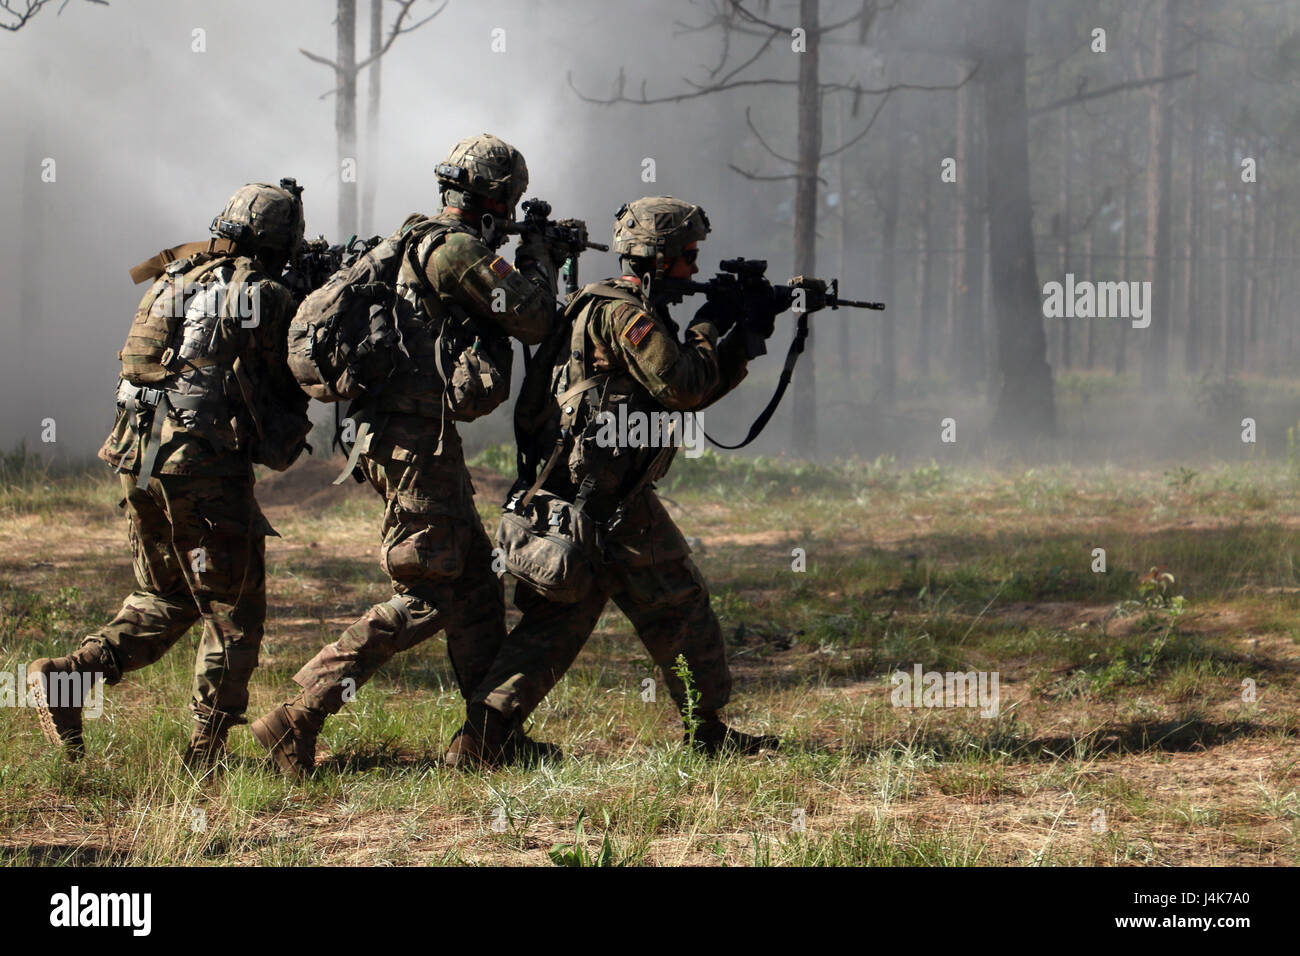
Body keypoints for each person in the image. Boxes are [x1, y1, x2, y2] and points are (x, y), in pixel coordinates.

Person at [250, 134, 568, 777]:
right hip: (412, 441)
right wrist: (540, 258)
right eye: (509, 206)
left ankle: (488, 738)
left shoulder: (417, 240)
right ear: (495, 198)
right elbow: (533, 318)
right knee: (428, 592)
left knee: (475, 584)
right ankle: (297, 716)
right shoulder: (455, 249)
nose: (509, 217)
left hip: (405, 436)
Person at [447, 196, 783, 767]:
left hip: (586, 498)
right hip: (611, 502)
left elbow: (666, 392)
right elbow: (681, 386)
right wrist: (724, 330)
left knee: (557, 624)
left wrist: (736, 333)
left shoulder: (602, 304)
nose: (696, 270)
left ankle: (482, 738)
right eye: (689, 257)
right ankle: (708, 732)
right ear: (659, 256)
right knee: (681, 606)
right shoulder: (624, 313)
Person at [28, 179, 311, 769]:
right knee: (233, 611)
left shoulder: (171, 278)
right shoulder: (263, 292)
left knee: (168, 595)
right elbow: (294, 381)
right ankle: (205, 757)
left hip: (138, 464)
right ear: (278, 242)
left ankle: (66, 680)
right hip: (199, 471)